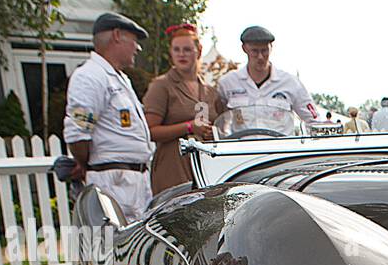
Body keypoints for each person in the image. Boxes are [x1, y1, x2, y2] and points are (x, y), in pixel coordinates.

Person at [63, 12, 155, 221]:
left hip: (133, 182)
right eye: (134, 41)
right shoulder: (90, 76)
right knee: (113, 249)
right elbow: (77, 135)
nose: (137, 48)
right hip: (113, 182)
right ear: (116, 35)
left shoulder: (118, 77)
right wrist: (88, 165)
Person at [142, 23, 222, 195]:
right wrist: (189, 127)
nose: (181, 54)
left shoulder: (211, 91)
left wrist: (211, 132)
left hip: (205, 171)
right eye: (176, 49)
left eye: (187, 49)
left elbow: (222, 127)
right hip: (173, 169)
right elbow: (150, 131)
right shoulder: (162, 85)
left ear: (198, 51)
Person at [217, 25, 320, 126]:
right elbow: (216, 120)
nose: (260, 57)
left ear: (271, 48)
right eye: (255, 51)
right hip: (242, 141)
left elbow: (314, 121)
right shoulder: (227, 83)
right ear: (244, 49)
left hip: (280, 142)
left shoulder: (291, 83)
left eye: (264, 51)